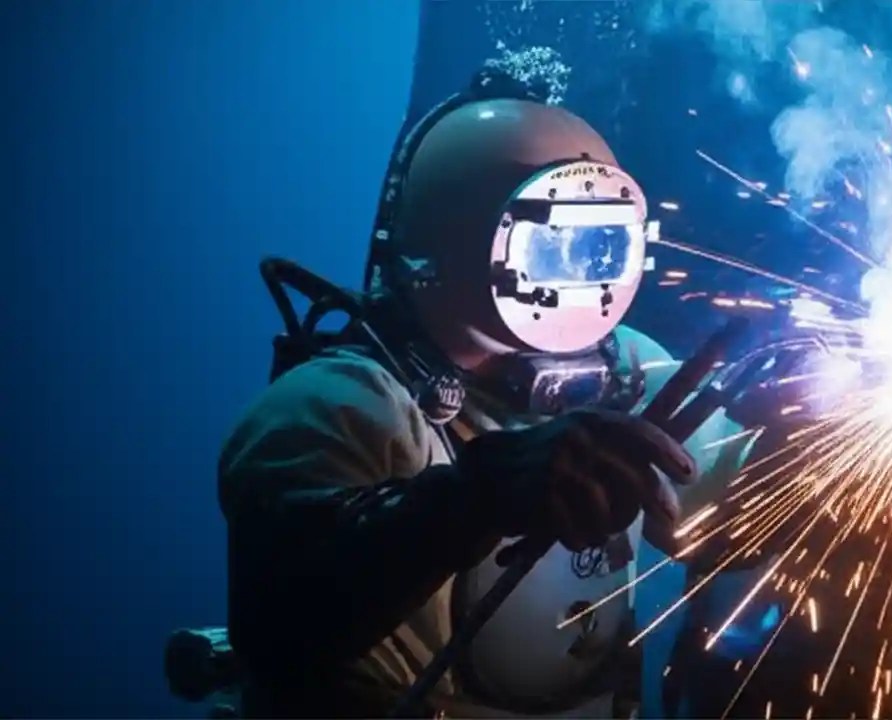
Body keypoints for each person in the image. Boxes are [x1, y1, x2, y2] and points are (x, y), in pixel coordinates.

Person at [204, 68, 760, 719]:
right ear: (460, 245)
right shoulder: (337, 408)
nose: (587, 278)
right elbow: (280, 627)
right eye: (555, 247)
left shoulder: (630, 370)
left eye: (606, 247)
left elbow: (736, 512)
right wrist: (473, 500)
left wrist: (800, 444)